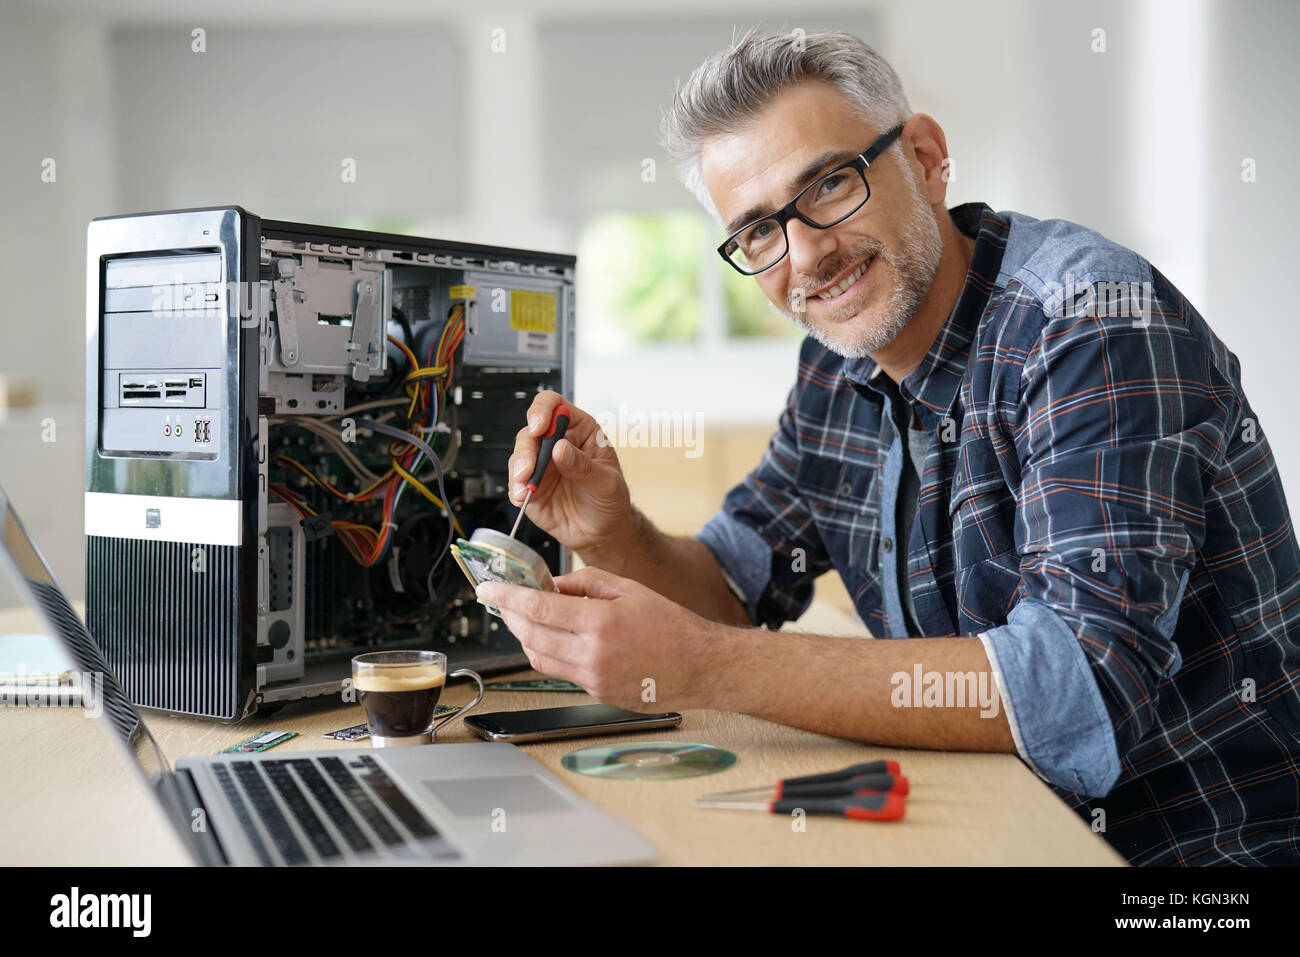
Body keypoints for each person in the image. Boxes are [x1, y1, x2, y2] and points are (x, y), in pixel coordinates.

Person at [472, 30, 1300, 866]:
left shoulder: (1090, 321)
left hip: (1197, 856)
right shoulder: (837, 366)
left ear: (926, 158)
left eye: (830, 183)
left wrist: (706, 665)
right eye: (758, 231)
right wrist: (612, 533)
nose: (806, 256)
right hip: (988, 824)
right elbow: (730, 586)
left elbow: (1081, 686)